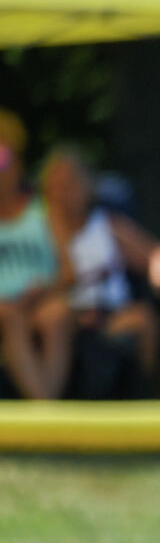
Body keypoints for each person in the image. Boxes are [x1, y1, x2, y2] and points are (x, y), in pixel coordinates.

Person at [41, 145, 160, 382]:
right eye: (57, 185)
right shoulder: (38, 230)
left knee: (144, 318)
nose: (64, 192)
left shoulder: (108, 225)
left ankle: (146, 394)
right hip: (63, 314)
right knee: (57, 317)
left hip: (111, 315)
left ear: (89, 187)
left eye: (71, 183)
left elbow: (156, 255)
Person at [0, 108, 69, 400]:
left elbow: (69, 270)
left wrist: (42, 291)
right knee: (10, 318)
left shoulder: (44, 213)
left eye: (4, 159)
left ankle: (46, 414)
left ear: (19, 164)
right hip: (5, 310)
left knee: (58, 316)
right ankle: (47, 415)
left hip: (41, 301)